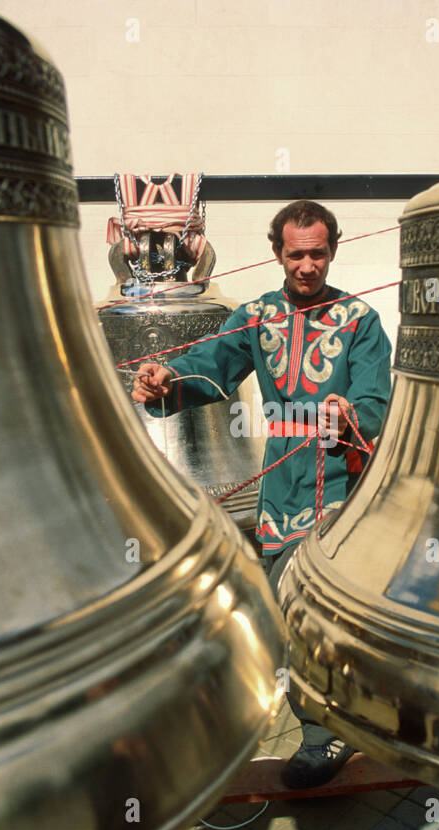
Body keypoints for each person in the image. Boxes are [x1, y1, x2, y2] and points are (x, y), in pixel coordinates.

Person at [131, 199, 392, 789]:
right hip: (279, 480)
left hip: (338, 478)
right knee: (286, 609)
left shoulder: (360, 320)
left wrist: (350, 409)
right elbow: (212, 365)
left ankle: (325, 738)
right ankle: (335, 715)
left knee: (302, 608)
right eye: (296, 254)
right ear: (277, 253)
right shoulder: (257, 315)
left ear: (333, 250)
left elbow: (376, 395)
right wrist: (169, 378)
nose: (307, 265)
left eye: (317, 253)